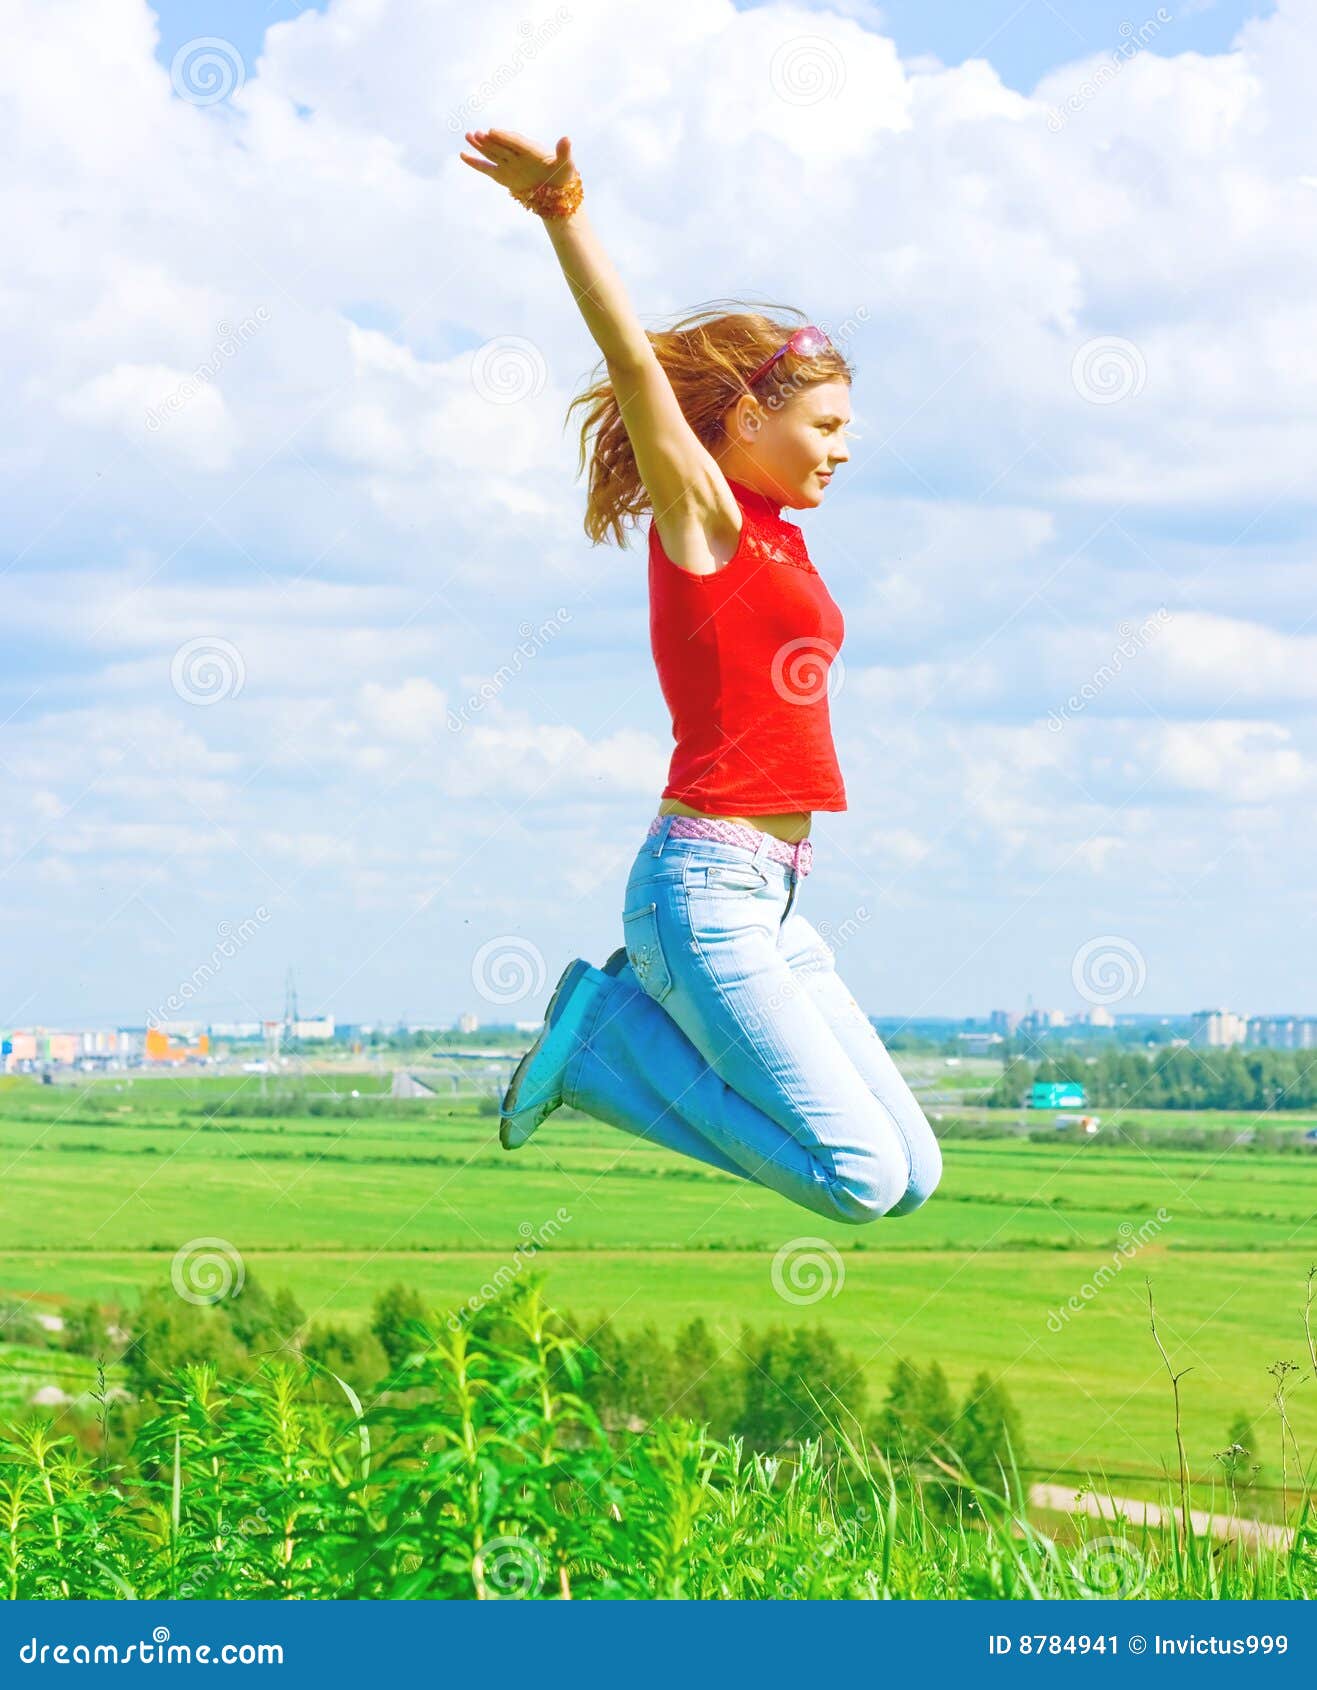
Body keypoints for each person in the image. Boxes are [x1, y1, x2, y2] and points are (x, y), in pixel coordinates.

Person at [459, 128, 941, 1224]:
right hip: (702, 891)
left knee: (914, 1176)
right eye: (826, 425)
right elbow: (636, 366)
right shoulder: (708, 521)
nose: (843, 449)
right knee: (860, 1181)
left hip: (774, 897)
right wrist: (562, 210)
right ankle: (599, 1044)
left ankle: (605, 1041)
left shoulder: (782, 535)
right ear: (747, 419)